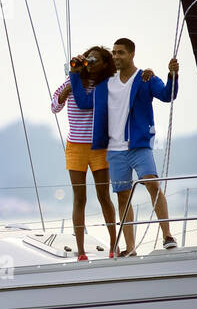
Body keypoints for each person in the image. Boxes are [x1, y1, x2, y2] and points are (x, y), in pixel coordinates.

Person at [70, 37, 180, 256]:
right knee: (123, 197)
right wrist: (74, 74)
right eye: (114, 53)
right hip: (114, 149)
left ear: (131, 54)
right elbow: (82, 102)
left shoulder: (146, 79)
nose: (116, 56)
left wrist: (172, 75)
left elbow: (168, 96)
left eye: (121, 52)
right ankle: (130, 248)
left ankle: (167, 235)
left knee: (152, 185)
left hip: (139, 146)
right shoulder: (104, 84)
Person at [51, 45, 117, 260]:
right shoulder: (72, 82)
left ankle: (113, 245)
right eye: (89, 59)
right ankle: (80, 251)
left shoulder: (105, 86)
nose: (91, 63)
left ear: (105, 64)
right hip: (76, 147)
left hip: (98, 146)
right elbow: (54, 106)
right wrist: (67, 91)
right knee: (79, 199)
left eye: (96, 60)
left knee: (104, 196)